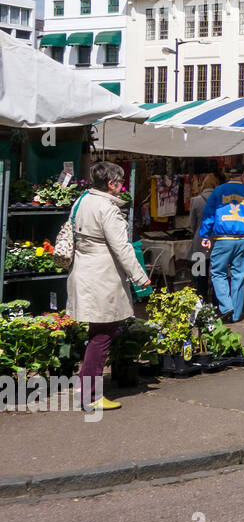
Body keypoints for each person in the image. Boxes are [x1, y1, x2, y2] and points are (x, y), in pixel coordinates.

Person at [66, 162, 153, 412]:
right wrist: (140, 277)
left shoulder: (82, 201)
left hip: (84, 271)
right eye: (120, 182)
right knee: (103, 335)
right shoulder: (107, 208)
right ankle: (90, 395)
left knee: (97, 332)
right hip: (102, 277)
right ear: (112, 184)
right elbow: (121, 247)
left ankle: (84, 386)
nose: (122, 187)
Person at [199, 164, 244, 322]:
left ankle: (226, 306)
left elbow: (208, 214)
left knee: (218, 273)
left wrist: (205, 236)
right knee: (238, 276)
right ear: (243, 176)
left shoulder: (218, 191)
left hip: (223, 239)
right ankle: (235, 315)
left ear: (229, 176)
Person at [187, 173, 219, 304]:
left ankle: (201, 301)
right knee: (218, 274)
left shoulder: (196, 200)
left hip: (200, 241)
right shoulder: (220, 201)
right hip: (217, 241)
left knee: (200, 274)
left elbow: (192, 223)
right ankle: (217, 302)